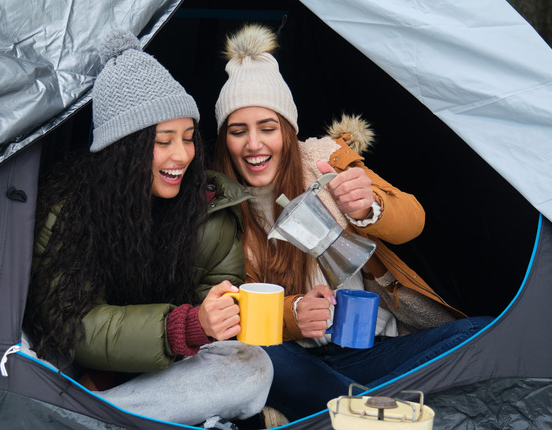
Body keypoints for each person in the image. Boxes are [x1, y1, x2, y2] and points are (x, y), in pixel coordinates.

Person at [210, 24, 493, 422]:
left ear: (288, 132)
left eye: (268, 128)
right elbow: (229, 306)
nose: (254, 144)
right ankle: (375, 412)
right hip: (293, 356)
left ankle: (335, 409)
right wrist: (294, 313)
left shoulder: (327, 161)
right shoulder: (220, 206)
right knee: (254, 354)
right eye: (238, 132)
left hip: (370, 351)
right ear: (226, 142)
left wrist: (367, 207)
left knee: (480, 333)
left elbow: (413, 222)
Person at [22, 30, 271, 428]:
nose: (182, 155)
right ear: (125, 148)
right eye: (163, 141)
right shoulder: (70, 209)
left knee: (252, 367)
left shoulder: (211, 211)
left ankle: (81, 422)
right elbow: (70, 324)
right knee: (25, 353)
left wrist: (217, 318)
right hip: (79, 365)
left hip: (167, 370)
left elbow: (212, 320)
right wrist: (179, 327)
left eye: (189, 139)